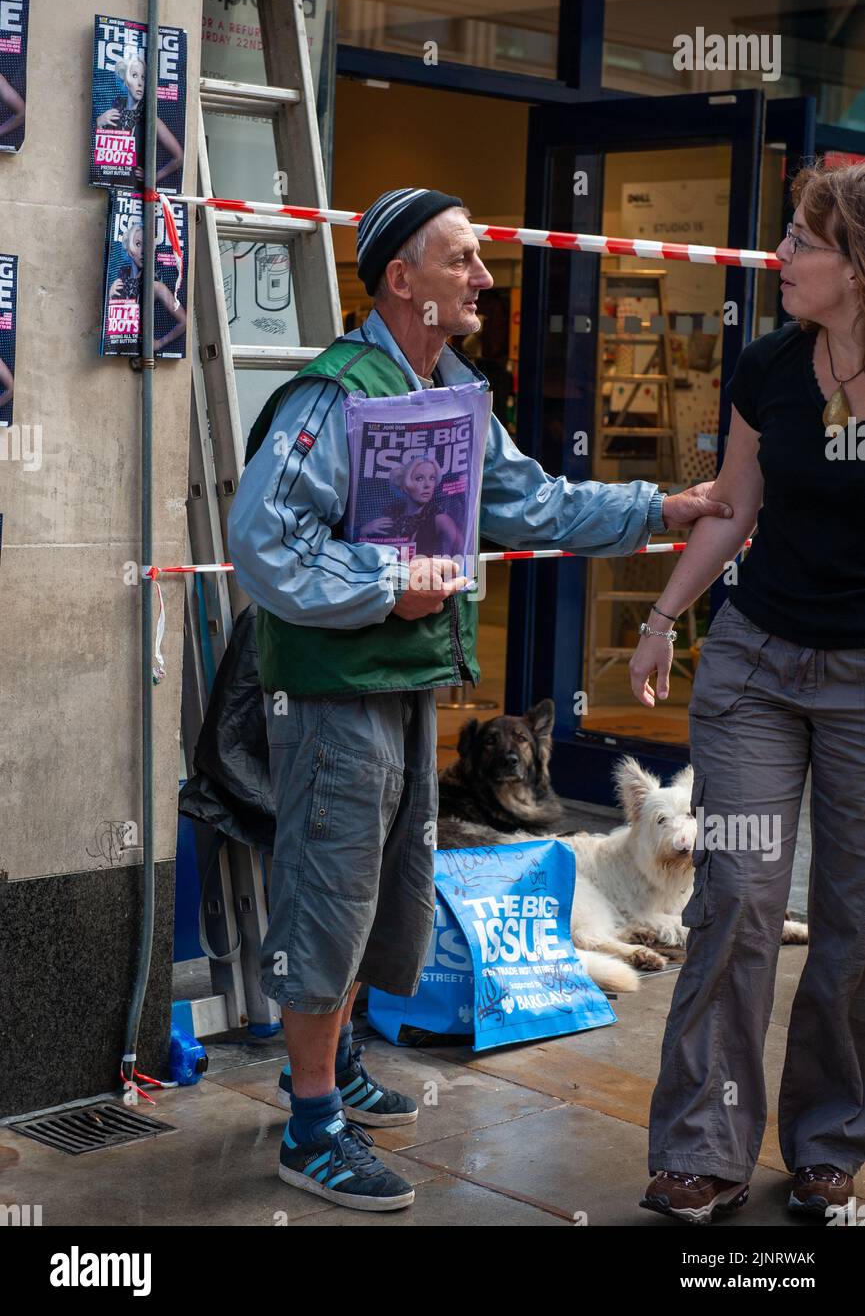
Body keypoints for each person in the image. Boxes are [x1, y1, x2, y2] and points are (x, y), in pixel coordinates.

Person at [228, 186, 733, 1214]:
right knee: (329, 897)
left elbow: (534, 500)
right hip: (333, 695)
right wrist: (382, 583)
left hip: (402, 685)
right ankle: (312, 1128)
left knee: (381, 888)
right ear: (402, 279)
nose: (484, 278)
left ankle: (326, 1073)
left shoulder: (448, 391)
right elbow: (262, 539)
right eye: (461, 259)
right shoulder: (331, 397)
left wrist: (658, 506)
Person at [629, 157, 865, 1225]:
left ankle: (827, 1145)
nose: (778, 259)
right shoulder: (769, 363)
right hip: (756, 665)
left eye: (802, 244)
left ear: (856, 265)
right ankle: (703, 1147)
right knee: (738, 900)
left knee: (855, 922)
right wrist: (661, 614)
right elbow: (730, 506)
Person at [96, 51, 184, 187]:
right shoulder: (110, 114)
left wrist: (152, 178)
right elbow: (96, 159)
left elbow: (179, 157)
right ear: (125, 79)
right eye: (135, 76)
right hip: (107, 190)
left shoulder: (151, 120)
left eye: (143, 78)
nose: (140, 83)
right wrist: (98, 124)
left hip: (134, 195)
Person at [108, 217, 186, 353]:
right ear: (129, 249)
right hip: (116, 351)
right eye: (138, 244)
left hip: (138, 353)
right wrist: (111, 297)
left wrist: (160, 343)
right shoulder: (119, 281)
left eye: (147, 245)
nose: (143, 251)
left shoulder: (155, 286)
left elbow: (184, 322)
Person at [359, 454, 462, 555]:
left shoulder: (441, 520)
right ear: (404, 485)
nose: (428, 485)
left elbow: (463, 553)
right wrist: (363, 532)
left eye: (432, 478)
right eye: (419, 478)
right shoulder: (389, 517)